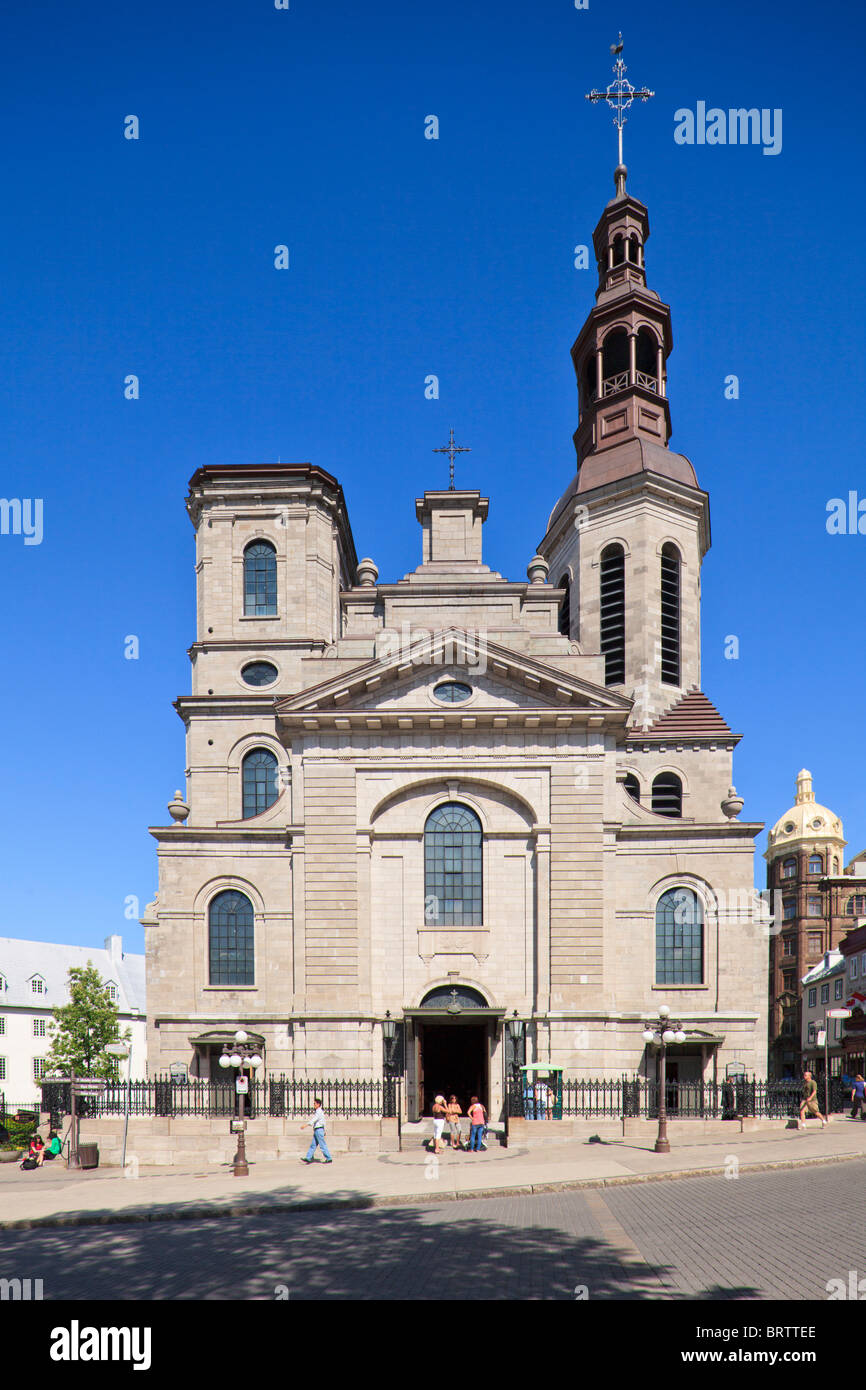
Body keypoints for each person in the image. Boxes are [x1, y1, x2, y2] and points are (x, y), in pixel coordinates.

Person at [300, 1097, 333, 1163]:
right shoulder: (319, 1112)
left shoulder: (319, 1112)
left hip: (319, 1130)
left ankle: (329, 1158)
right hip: (318, 1130)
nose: (314, 1105)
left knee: (322, 1145)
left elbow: (314, 1119)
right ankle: (308, 1158)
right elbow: (323, 1122)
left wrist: (305, 1125)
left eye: (315, 1104)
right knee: (313, 1145)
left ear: (318, 1104)